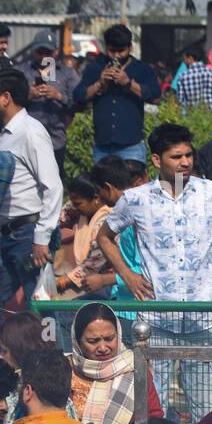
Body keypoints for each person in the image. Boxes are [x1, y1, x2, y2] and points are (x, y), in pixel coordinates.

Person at [98, 123, 212, 423]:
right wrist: (127, 275)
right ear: (157, 160)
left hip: (204, 319)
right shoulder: (135, 199)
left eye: (188, 155)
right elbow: (104, 236)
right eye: (176, 156)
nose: (185, 162)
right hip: (155, 323)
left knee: (207, 410)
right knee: (151, 409)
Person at [0, 69, 62, 307]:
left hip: (28, 236)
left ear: (6, 97)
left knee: (40, 306)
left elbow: (53, 186)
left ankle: (49, 346)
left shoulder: (30, 132)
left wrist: (41, 238)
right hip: (7, 235)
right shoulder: (6, 134)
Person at [65, 303, 164, 424]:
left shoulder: (134, 369)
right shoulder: (64, 369)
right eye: (93, 341)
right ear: (77, 342)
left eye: (109, 339)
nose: (103, 347)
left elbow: (153, 420)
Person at [72, 25, 162, 163]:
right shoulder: (95, 68)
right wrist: (99, 84)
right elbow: (78, 96)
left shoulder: (142, 69)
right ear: (106, 47)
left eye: (121, 51)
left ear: (130, 47)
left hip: (131, 147)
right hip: (102, 148)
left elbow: (155, 96)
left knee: (133, 184)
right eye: (112, 51)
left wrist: (128, 83)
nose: (116, 56)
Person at [18, 30, 81, 174]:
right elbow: (8, 102)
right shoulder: (22, 72)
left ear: (56, 51)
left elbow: (80, 103)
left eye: (48, 52)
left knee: (54, 184)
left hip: (55, 140)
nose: (44, 56)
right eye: (40, 52)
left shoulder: (67, 73)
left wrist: (59, 96)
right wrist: (29, 96)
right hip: (26, 140)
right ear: (34, 52)